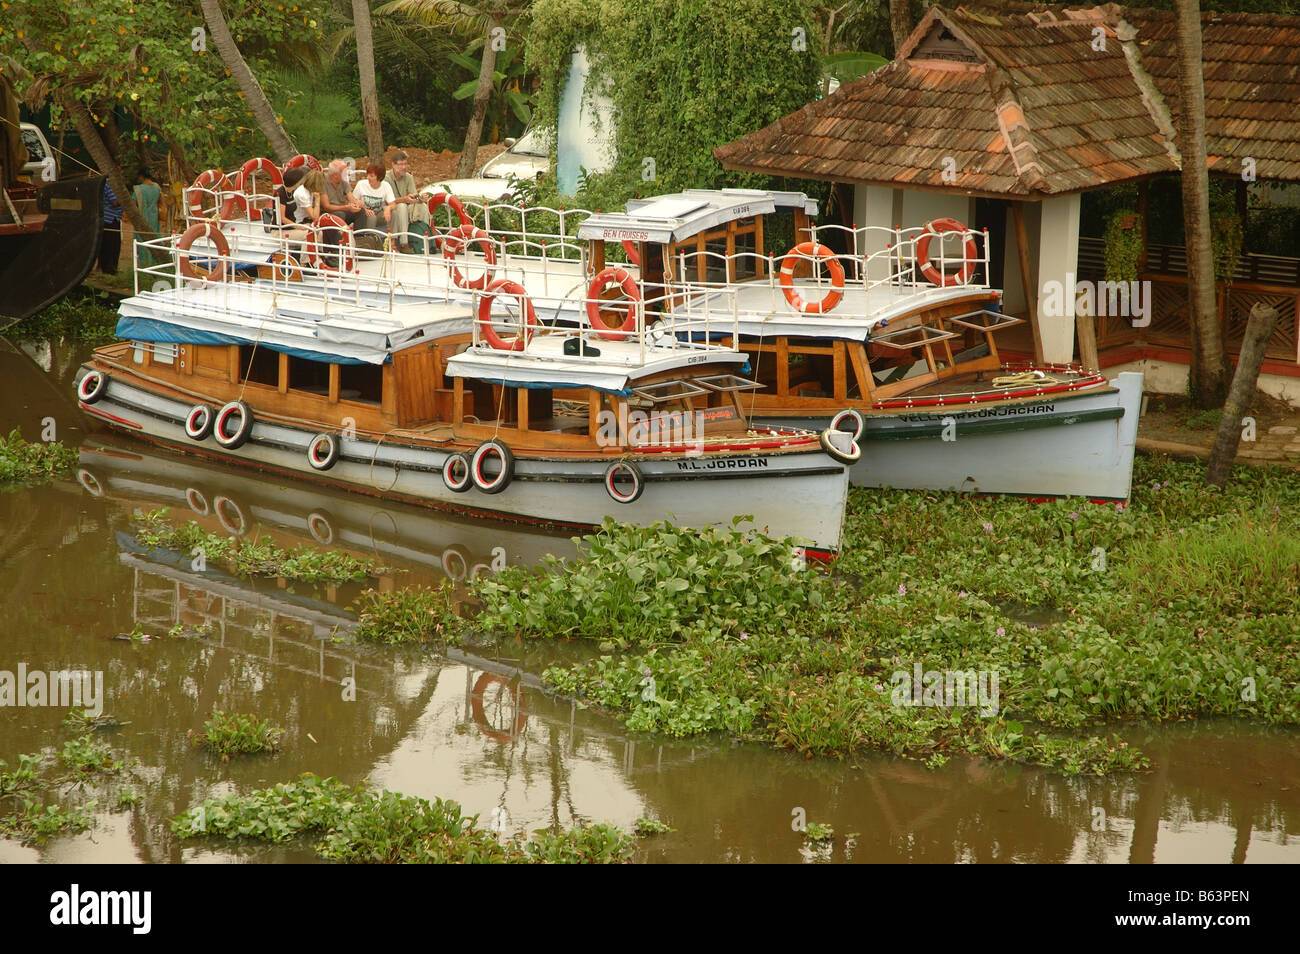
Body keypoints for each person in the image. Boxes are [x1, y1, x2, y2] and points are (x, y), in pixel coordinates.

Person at [384, 150, 430, 253]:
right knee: (401, 206)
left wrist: (420, 199)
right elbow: (387, 201)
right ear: (393, 165)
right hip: (391, 208)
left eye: (405, 164)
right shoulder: (387, 178)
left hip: (405, 205)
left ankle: (424, 239)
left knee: (423, 206)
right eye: (401, 164)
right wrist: (405, 199)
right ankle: (404, 244)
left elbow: (413, 195)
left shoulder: (408, 177)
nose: (404, 167)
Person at [353, 163, 396, 244]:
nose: (368, 178)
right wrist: (363, 209)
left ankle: (392, 242)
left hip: (379, 213)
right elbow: (353, 201)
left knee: (393, 213)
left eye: (372, 176)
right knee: (372, 217)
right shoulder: (361, 184)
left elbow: (393, 204)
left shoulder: (386, 186)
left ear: (379, 178)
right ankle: (369, 242)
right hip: (365, 214)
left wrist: (388, 208)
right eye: (368, 175)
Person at [132, 169, 162, 268]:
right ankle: (155, 264)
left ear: (141, 177)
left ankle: (143, 265)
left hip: (142, 218)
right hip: (154, 217)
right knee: (154, 238)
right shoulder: (157, 187)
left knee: (141, 241)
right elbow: (160, 201)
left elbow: (133, 205)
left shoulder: (139, 189)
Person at [321, 159, 362, 225]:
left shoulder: (344, 182)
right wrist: (345, 207)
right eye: (344, 172)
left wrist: (357, 203)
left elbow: (352, 198)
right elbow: (326, 207)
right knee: (339, 214)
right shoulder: (323, 182)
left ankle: (360, 235)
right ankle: (340, 234)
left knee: (360, 211)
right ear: (335, 175)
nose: (347, 174)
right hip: (327, 213)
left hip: (342, 210)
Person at [99, 178, 123, 275]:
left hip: (115, 218)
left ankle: (113, 268)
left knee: (115, 245)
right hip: (109, 219)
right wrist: (125, 197)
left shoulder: (115, 185)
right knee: (108, 245)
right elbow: (115, 202)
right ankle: (108, 269)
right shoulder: (108, 184)